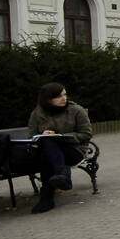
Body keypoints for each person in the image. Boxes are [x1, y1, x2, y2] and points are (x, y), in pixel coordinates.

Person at [26, 82, 93, 214]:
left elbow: (86, 134)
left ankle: (46, 198)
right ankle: (61, 176)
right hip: (49, 152)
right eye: (58, 96)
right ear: (48, 99)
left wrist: (61, 136)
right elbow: (31, 136)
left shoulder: (76, 110)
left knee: (49, 146)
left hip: (74, 150)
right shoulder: (37, 114)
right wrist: (41, 136)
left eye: (65, 94)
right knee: (47, 145)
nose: (64, 98)